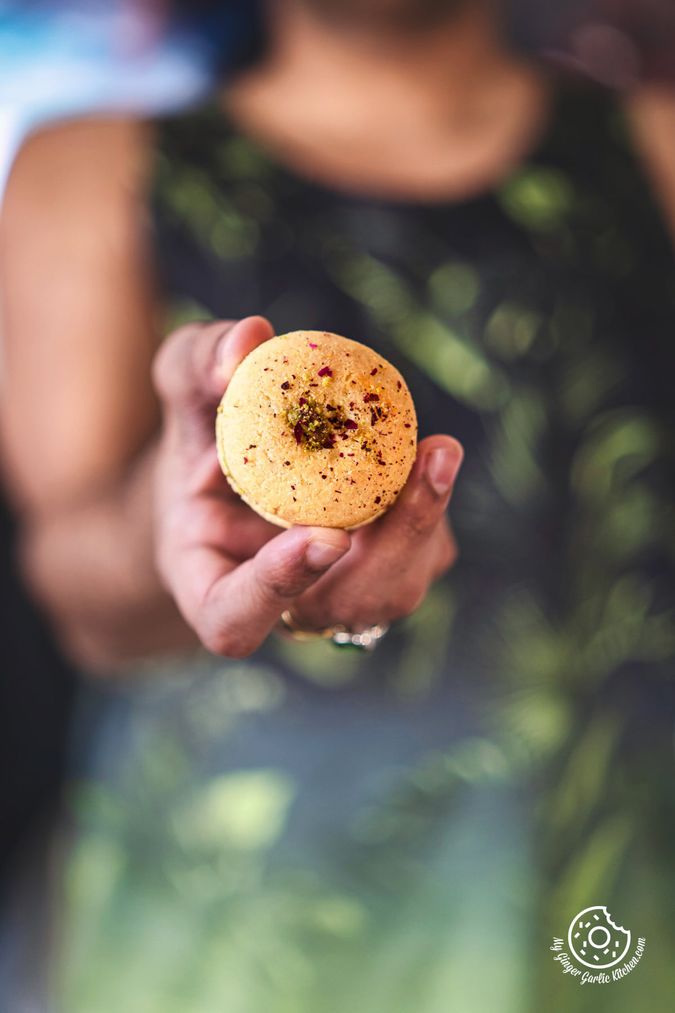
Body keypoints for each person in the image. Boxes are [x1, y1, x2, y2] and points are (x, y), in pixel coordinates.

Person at [1, 0, 674, 1008]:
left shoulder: (655, 141)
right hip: (235, 935)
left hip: (607, 905)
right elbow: (80, 598)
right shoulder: (91, 170)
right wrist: (169, 518)